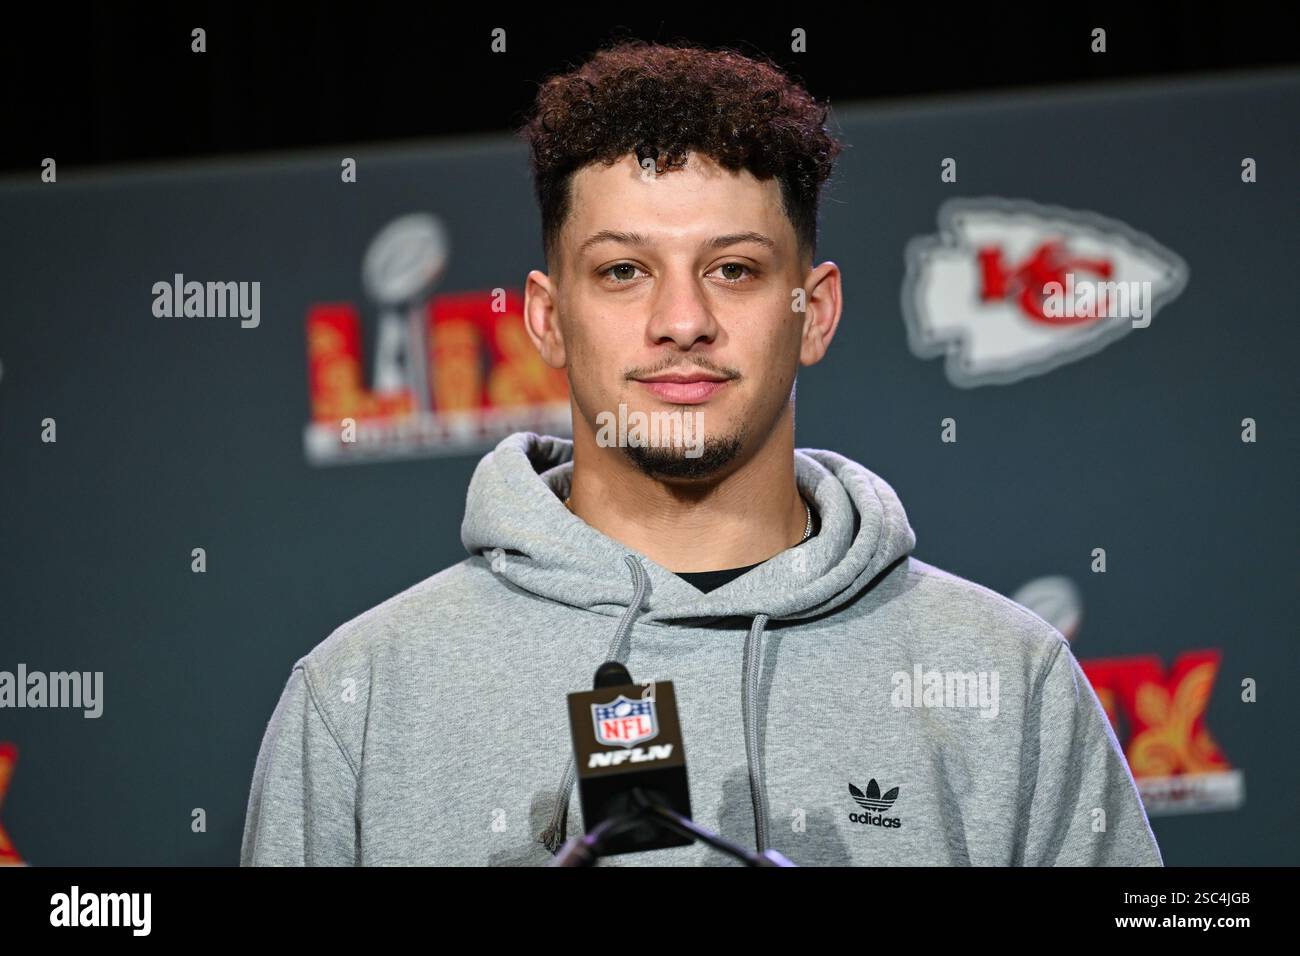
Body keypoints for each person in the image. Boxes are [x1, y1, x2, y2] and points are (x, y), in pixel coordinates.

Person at [240, 39, 1162, 866]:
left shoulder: (1009, 681)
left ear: (817, 311)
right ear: (548, 320)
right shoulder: (359, 700)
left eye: (734, 269)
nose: (683, 321)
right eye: (623, 272)